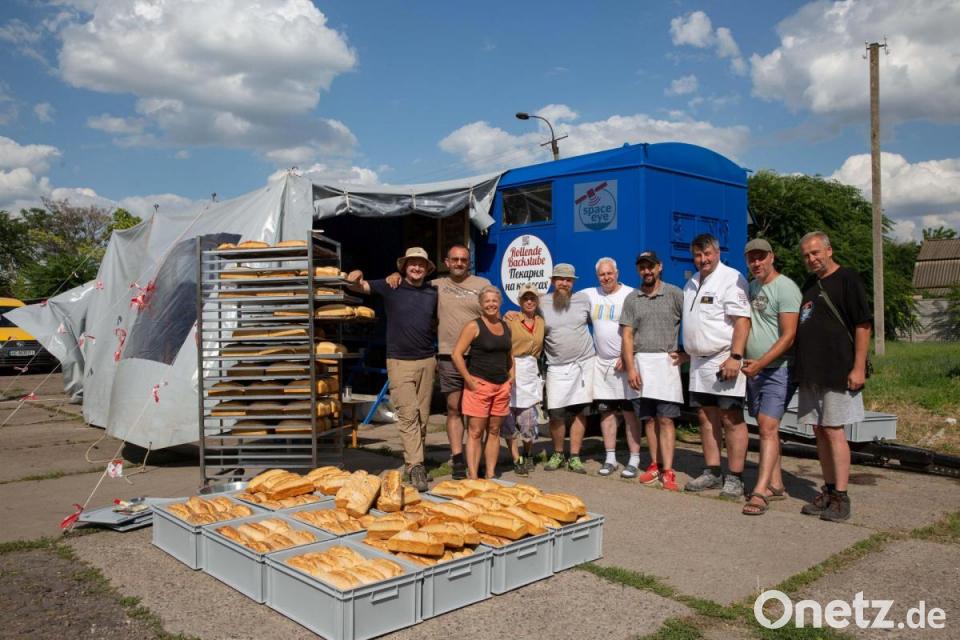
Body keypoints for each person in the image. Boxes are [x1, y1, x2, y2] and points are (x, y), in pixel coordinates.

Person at [386, 245, 490, 480]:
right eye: (455, 259)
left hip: (478, 357)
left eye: (464, 259)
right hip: (447, 356)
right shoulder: (435, 286)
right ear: (447, 261)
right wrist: (395, 277)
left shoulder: (482, 285)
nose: (460, 263)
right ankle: (458, 460)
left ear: (468, 262)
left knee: (476, 413)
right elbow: (410, 286)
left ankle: (476, 459)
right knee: (453, 409)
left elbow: (494, 310)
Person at [794, 231, 871, 522]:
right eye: (806, 255)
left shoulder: (848, 279)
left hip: (838, 368)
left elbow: (863, 326)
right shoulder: (810, 284)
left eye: (815, 253)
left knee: (835, 430)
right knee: (819, 430)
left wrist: (858, 367)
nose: (811, 259)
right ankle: (827, 489)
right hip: (811, 370)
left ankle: (841, 496)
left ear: (829, 250)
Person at [346, 247, 438, 491]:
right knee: (408, 414)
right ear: (404, 267)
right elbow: (358, 287)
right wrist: (355, 274)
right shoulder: (391, 286)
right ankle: (415, 466)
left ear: (427, 269)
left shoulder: (432, 292)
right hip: (399, 361)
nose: (416, 268)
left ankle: (416, 459)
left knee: (422, 417)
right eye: (412, 264)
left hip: (427, 361)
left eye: (421, 264)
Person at [681, 233, 752, 498]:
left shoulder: (731, 279)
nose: (703, 260)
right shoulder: (691, 283)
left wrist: (735, 356)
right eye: (698, 255)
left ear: (717, 252)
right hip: (699, 364)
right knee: (705, 417)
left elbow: (742, 321)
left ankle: (735, 477)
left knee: (731, 418)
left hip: (724, 359)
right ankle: (712, 471)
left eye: (707, 254)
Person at [740, 239, 801, 516]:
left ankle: (760, 491)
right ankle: (776, 484)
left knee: (767, 426)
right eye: (752, 259)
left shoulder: (785, 287)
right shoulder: (752, 287)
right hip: (755, 369)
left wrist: (761, 363)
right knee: (765, 427)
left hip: (778, 368)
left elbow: (789, 336)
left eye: (761, 257)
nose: (756, 263)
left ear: (772, 257)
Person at [620, 251, 685, 490]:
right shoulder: (632, 298)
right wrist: (630, 368)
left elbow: (694, 321)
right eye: (642, 268)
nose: (646, 271)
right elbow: (627, 335)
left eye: (650, 267)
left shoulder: (675, 294)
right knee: (648, 420)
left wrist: (688, 352)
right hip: (641, 364)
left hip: (666, 364)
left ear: (660, 266)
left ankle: (668, 470)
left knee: (666, 419)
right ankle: (654, 466)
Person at [584, 258, 642, 477]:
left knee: (629, 413)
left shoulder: (631, 294)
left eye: (609, 273)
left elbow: (641, 327)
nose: (606, 278)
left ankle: (634, 459)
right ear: (597, 276)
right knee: (607, 413)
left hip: (626, 363)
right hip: (602, 364)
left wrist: (628, 354)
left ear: (617, 273)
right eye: (601, 274)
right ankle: (610, 458)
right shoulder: (590, 294)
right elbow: (561, 300)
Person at [451, 286, 514, 480]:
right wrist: (469, 380)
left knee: (494, 431)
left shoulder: (506, 327)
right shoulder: (474, 326)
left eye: (494, 301)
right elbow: (456, 354)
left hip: (501, 386)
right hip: (479, 385)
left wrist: (511, 378)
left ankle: (490, 474)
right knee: (476, 432)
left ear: (500, 303)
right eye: (487, 301)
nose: (491, 304)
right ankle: (472, 476)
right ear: (480, 304)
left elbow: (509, 356)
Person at [538, 263, 595, 473]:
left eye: (568, 280)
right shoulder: (541, 302)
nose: (564, 283)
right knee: (556, 414)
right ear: (553, 281)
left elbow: (600, 323)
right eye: (560, 279)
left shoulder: (583, 300)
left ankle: (575, 456)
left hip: (583, 364)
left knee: (581, 412)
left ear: (573, 283)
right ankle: (558, 453)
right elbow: (526, 320)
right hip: (556, 366)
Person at [503, 283, 545, 476]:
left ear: (537, 301)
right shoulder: (511, 320)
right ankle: (516, 458)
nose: (529, 301)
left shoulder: (541, 322)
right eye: (525, 298)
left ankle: (527, 453)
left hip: (530, 372)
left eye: (532, 298)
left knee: (528, 422)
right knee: (509, 420)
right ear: (519, 301)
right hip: (511, 369)